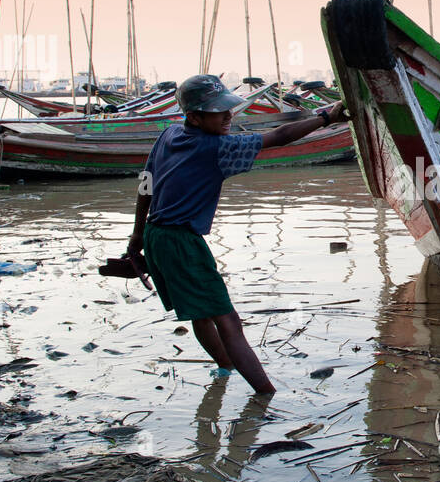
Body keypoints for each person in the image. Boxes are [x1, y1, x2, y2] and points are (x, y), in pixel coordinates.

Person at [127, 74, 349, 395]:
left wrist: (136, 236)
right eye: (219, 111)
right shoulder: (215, 147)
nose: (229, 116)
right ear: (195, 116)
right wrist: (327, 117)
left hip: (155, 235)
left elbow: (146, 180)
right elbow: (281, 135)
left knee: (201, 315)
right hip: (182, 242)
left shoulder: (170, 134)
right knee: (229, 321)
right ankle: (266, 396)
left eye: (229, 109)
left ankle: (225, 366)